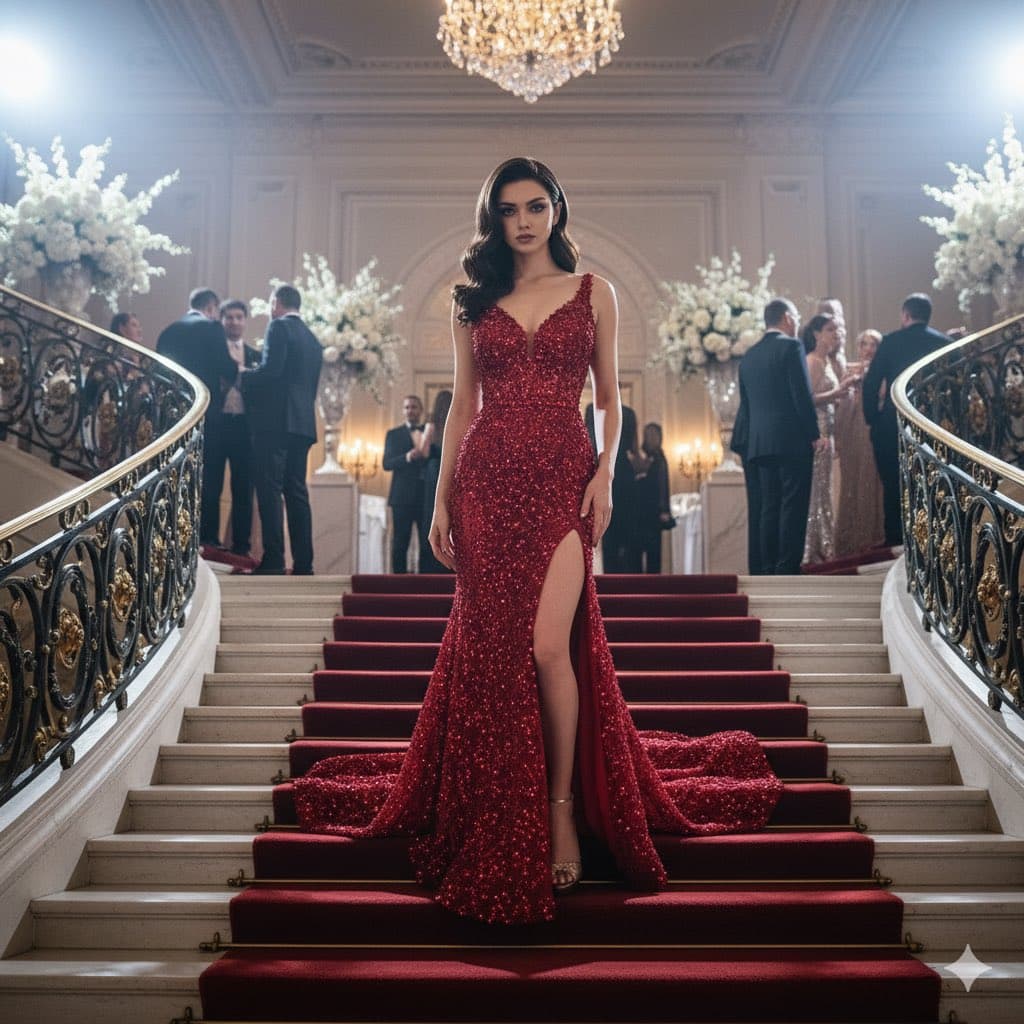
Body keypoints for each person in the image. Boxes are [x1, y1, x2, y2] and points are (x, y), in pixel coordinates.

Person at [291, 156, 782, 925]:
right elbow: (459, 410)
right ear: (495, 219)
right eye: (508, 210)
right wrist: (442, 498)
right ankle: (496, 801)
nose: (522, 221)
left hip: (561, 479)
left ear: (557, 209)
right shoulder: (471, 302)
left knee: (552, 648)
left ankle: (557, 810)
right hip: (486, 480)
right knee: (492, 652)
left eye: (534, 206)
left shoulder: (594, 294)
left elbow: (612, 404)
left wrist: (606, 475)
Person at [731, 298, 822, 575]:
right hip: (791, 440)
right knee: (793, 504)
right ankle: (787, 566)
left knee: (768, 506)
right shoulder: (792, 347)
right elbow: (801, 396)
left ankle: (768, 566)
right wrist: (813, 433)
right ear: (786, 317)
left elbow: (745, 405)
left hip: (758, 443)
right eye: (795, 315)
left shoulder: (749, 356)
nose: (797, 322)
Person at [240, 285, 323, 575]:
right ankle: (304, 563)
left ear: (276, 302)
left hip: (275, 423)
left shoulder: (278, 327)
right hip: (302, 424)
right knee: (297, 492)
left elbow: (271, 371)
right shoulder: (313, 339)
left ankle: (274, 559)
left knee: (270, 489)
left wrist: (245, 377)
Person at [862, 293, 949, 546]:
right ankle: (931, 542)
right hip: (933, 428)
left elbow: (871, 384)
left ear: (905, 315)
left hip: (892, 426)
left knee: (893, 487)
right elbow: (957, 388)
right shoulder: (943, 343)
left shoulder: (890, 342)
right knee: (930, 486)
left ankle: (895, 542)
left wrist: (873, 419)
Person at [156, 288, 240, 548]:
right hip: (206, 417)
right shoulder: (212, 329)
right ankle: (205, 536)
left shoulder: (169, 331)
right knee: (208, 478)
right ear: (212, 308)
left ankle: (169, 531)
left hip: (172, 419)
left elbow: (158, 372)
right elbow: (225, 366)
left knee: (175, 476)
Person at [202, 300, 260, 556]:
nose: (234, 322)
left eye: (239, 317)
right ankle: (209, 538)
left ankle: (241, 545)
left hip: (244, 428)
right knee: (211, 485)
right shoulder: (212, 352)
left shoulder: (256, 355)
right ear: (222, 321)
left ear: (245, 321)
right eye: (229, 318)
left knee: (243, 488)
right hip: (217, 424)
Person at [800, 314, 858, 565]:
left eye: (836, 328)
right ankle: (812, 548)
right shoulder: (813, 361)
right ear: (816, 334)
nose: (835, 333)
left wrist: (841, 389)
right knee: (817, 491)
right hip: (819, 433)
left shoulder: (826, 361)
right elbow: (808, 399)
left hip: (829, 431)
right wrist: (837, 392)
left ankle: (823, 544)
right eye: (829, 329)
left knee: (825, 490)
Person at [834, 329, 886, 555]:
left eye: (873, 344)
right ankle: (851, 537)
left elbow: (883, 396)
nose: (869, 349)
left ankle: (874, 534)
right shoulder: (849, 369)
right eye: (865, 344)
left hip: (870, 426)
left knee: (871, 478)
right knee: (852, 479)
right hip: (851, 427)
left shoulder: (882, 371)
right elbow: (839, 398)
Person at [585, 396, 638, 572]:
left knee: (620, 526)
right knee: (609, 526)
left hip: (615, 470)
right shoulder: (627, 413)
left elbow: (589, 440)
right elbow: (633, 446)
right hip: (614, 469)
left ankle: (618, 571)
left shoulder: (628, 414)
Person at [383, 395, 428, 573]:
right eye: (407, 407)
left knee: (427, 543)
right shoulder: (393, 434)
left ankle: (427, 582)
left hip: (424, 496)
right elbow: (387, 464)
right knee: (400, 542)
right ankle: (397, 583)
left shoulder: (429, 432)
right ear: (403, 410)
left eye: (414, 407)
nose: (410, 411)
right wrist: (407, 457)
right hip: (401, 498)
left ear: (420, 410)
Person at [415, 389, 453, 574]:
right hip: (452, 470)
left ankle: (429, 564)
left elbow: (423, 451)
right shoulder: (455, 422)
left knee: (431, 513)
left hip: (433, 470)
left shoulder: (432, 424)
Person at [629, 422, 672, 573]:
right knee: (638, 550)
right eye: (648, 435)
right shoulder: (643, 458)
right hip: (640, 513)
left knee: (654, 553)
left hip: (653, 512)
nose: (651, 438)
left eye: (654, 435)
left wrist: (664, 509)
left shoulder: (659, 458)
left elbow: (663, 485)